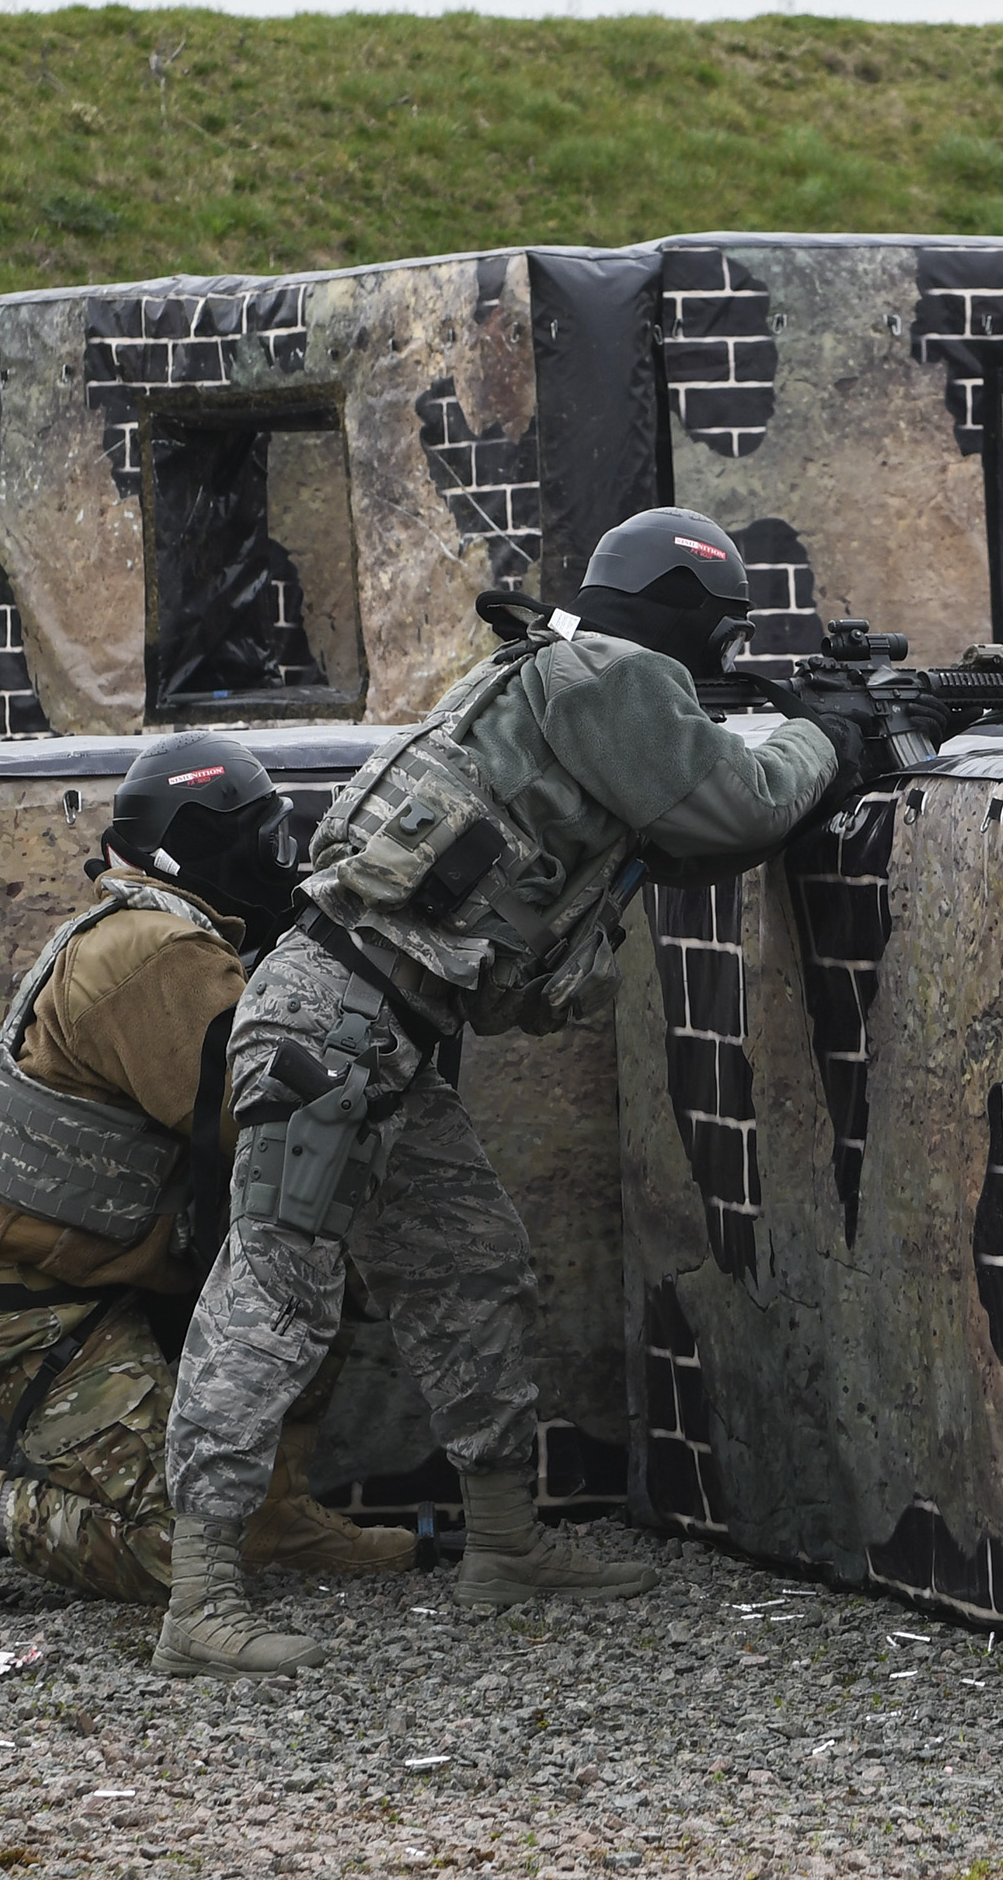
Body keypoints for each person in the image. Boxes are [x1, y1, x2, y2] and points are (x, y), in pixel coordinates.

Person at [153, 507, 859, 1677]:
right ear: (689, 615)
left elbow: (685, 839)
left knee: (474, 1265)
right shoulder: (611, 675)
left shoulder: (562, 672)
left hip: (372, 1029)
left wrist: (801, 734)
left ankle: (502, 1545)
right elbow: (738, 808)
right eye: (721, 634)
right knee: (274, 1293)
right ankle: (199, 1598)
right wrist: (821, 738)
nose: (724, 659)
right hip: (339, 1024)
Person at [0, 734, 418, 1626]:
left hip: (93, 1282)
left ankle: (271, 1513)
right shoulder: (158, 953)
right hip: (35, 1314)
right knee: (179, 1554)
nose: (275, 860)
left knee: (306, 1253)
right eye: (258, 838)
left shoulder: (148, 930)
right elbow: (248, 1121)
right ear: (205, 844)